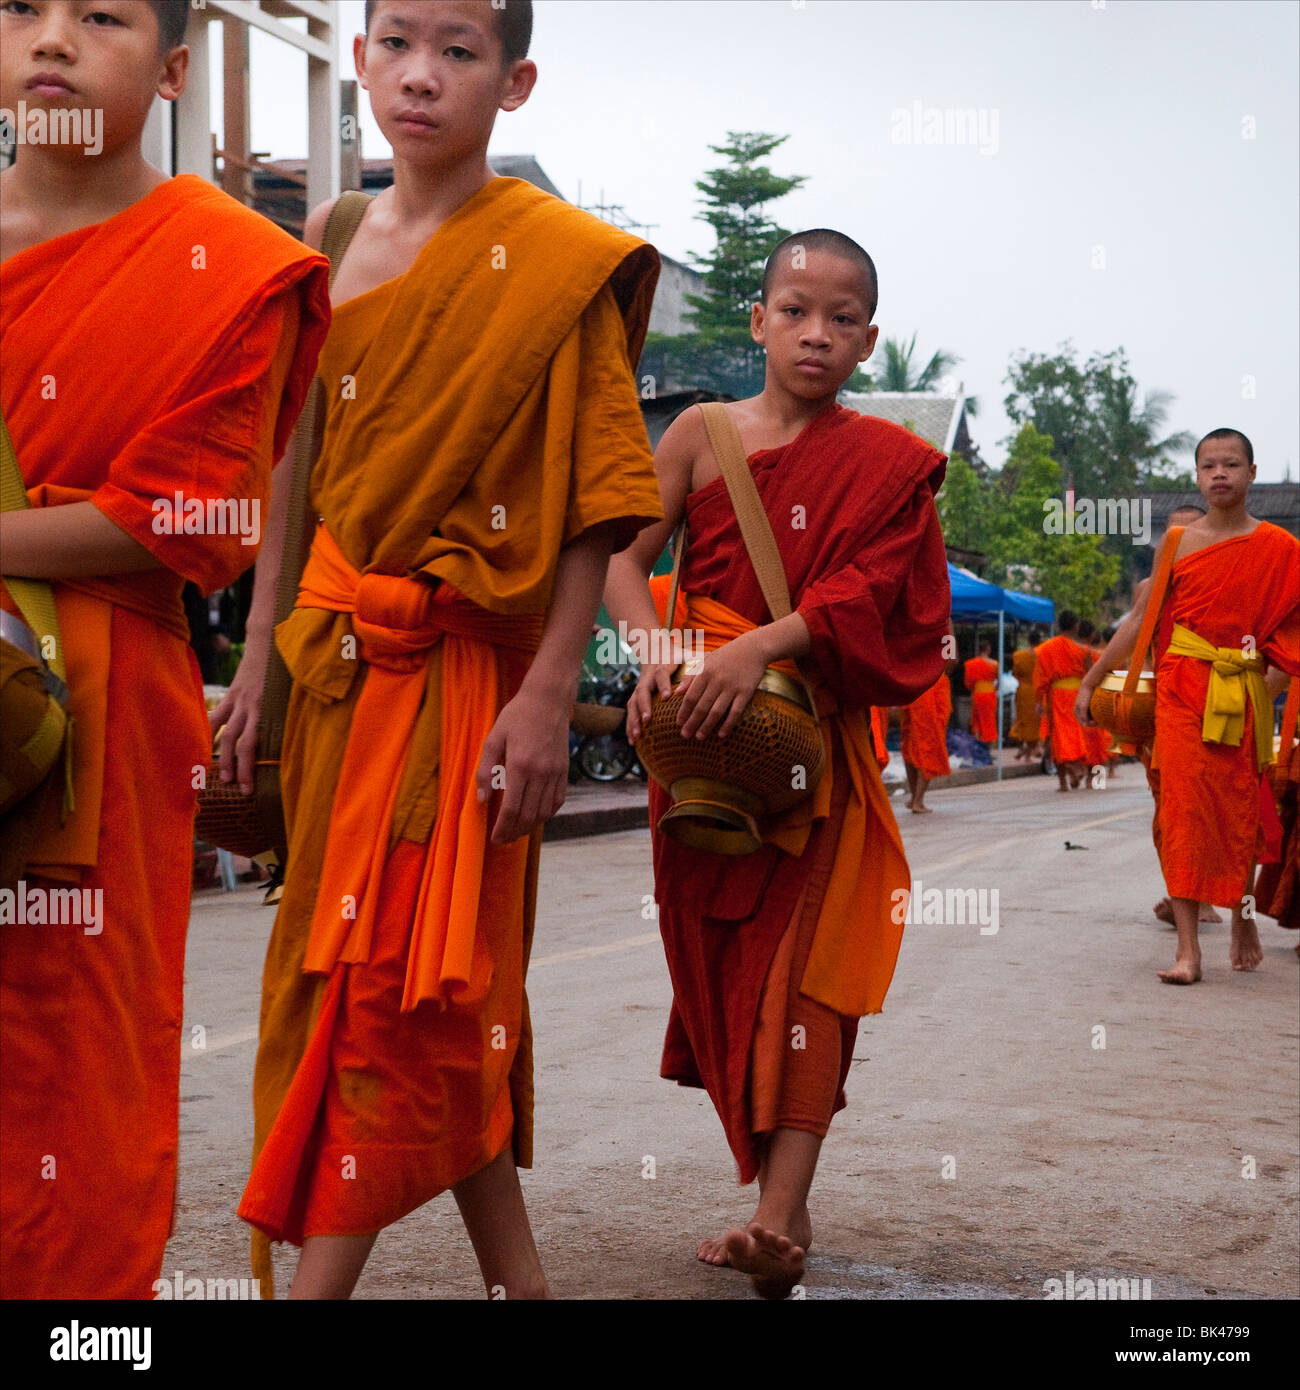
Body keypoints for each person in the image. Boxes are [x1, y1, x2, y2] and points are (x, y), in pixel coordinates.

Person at [218, 0, 662, 1299]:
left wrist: (544, 694)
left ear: (514, 81)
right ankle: (522, 1287)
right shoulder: (336, 233)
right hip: (340, 673)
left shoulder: (560, 258)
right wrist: (255, 655)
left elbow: (596, 495)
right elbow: (292, 463)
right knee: (430, 984)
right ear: (359, 59)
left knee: (400, 989)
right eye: (398, 43)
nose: (423, 76)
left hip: (470, 682)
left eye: (459, 52)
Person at [0, 0, 330, 1298]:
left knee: (75, 1056)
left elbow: (196, 518)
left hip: (104, 703)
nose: (53, 39)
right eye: (23, 6)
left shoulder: (229, 263)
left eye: (102, 14)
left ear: (177, 65)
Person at [605, 226, 949, 1297]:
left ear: (868, 342)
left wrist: (758, 643)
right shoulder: (699, 435)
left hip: (812, 749)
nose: (816, 332)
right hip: (702, 744)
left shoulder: (890, 467)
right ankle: (773, 1191)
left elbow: (868, 602)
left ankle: (776, 1210)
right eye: (795, 309)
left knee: (809, 980)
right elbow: (620, 555)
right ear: (755, 321)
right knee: (723, 964)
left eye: (842, 319)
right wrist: (653, 643)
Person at [1078, 429, 1299, 983]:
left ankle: (1242, 915)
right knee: (1180, 811)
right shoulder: (1177, 543)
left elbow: (1293, 629)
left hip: (1239, 688)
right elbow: (1140, 623)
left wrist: (1263, 688)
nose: (1219, 473)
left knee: (1238, 813)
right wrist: (1094, 679)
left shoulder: (1281, 548)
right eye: (1208, 465)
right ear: (1197, 476)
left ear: (1251, 473)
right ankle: (1188, 951)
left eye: (1231, 464)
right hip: (1180, 688)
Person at [1034, 612, 1091, 791]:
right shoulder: (1083, 650)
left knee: (1057, 736)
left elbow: (1041, 677)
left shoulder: (1047, 648)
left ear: (1059, 626)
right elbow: (1090, 676)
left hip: (1057, 695)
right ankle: (1076, 768)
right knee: (1077, 733)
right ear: (1075, 627)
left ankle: (1064, 782)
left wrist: (1038, 700)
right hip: (1078, 695)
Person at [901, 626, 956, 813]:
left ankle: (913, 797)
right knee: (929, 745)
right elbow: (951, 659)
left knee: (910, 745)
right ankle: (918, 800)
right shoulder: (944, 622)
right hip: (932, 687)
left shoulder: (910, 622)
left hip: (911, 686)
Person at [1009, 630, 1041, 760]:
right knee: (1035, 723)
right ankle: (1028, 753)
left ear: (1028, 640)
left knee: (1022, 720)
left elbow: (1014, 672)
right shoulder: (1042, 655)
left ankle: (1022, 748)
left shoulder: (1018, 655)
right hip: (1037, 691)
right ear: (1039, 642)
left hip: (1023, 690)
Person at [963, 640, 998, 746]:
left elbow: (968, 682)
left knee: (976, 719)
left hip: (977, 693)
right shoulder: (995, 664)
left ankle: (978, 743)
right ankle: (988, 745)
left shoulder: (971, 664)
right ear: (988, 649)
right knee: (989, 719)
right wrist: (993, 690)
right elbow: (999, 681)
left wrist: (975, 689)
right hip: (990, 693)